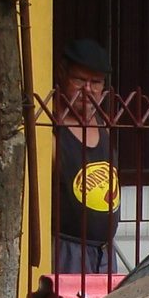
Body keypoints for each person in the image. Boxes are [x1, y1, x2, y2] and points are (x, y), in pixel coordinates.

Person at [53, 37, 120, 274]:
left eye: (96, 82)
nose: (88, 90)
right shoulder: (53, 130)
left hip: (105, 252)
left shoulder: (103, 124)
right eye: (80, 80)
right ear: (62, 74)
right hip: (68, 251)